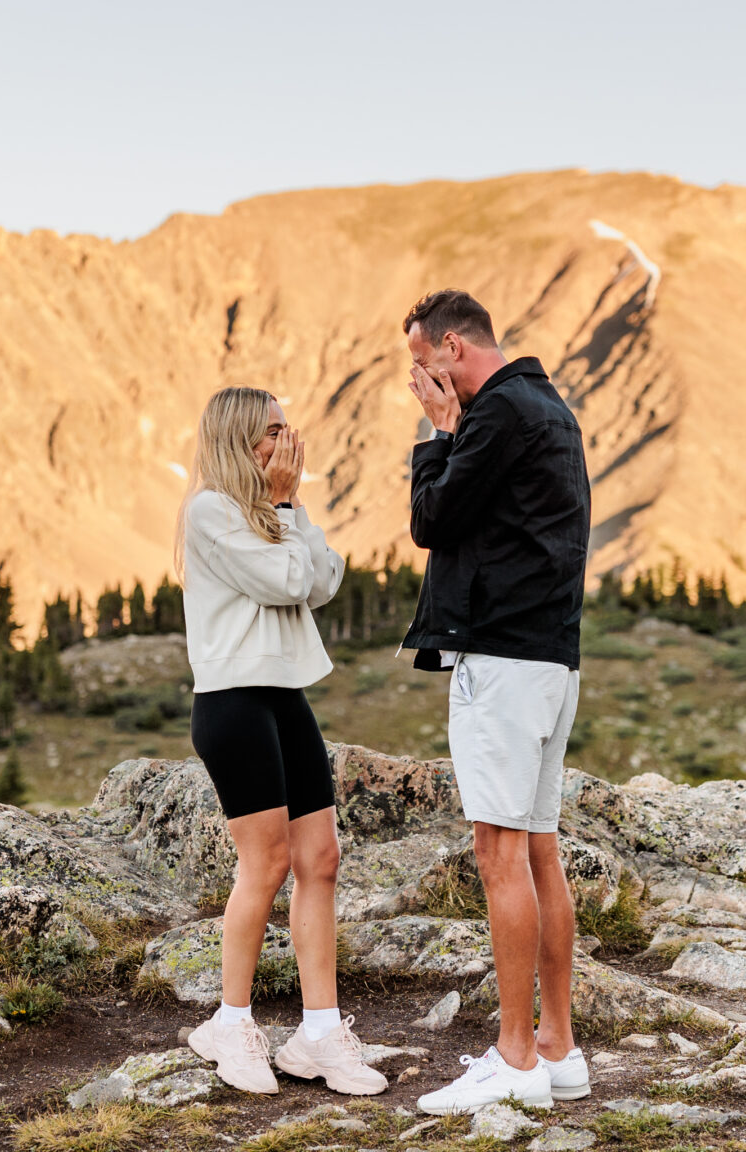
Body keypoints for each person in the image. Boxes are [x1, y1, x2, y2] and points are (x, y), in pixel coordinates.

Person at [399, 290, 591, 1114]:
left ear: (452, 347)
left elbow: (432, 519)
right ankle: (558, 1048)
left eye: (420, 361)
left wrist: (441, 434)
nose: (418, 378)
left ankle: (514, 1060)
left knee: (499, 851)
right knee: (539, 848)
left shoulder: (496, 414)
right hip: (550, 660)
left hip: (504, 662)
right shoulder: (548, 406)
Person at [174, 386, 387, 1098]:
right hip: (233, 702)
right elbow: (290, 577)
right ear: (240, 438)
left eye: (286, 427)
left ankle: (319, 1033)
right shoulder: (211, 511)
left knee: (320, 860)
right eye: (272, 430)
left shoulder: (273, 509)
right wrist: (287, 507)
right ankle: (230, 1023)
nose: (285, 440)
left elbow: (322, 581)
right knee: (263, 864)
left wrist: (288, 507)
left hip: (284, 696)